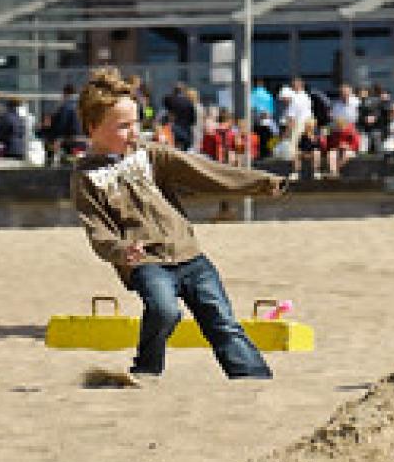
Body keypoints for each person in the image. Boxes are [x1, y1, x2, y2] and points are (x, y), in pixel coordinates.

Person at [71, 67, 288, 383]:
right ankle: (146, 370)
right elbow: (97, 230)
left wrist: (261, 183)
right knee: (164, 311)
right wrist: (121, 250)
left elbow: (203, 171)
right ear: (93, 128)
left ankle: (252, 377)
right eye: (123, 126)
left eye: (136, 123)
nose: (133, 132)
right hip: (147, 262)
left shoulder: (149, 154)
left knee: (221, 320)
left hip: (190, 256)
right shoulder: (86, 177)